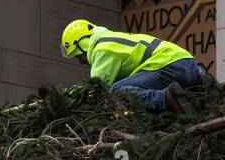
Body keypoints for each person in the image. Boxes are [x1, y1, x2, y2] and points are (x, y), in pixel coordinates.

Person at [60, 19, 203, 113]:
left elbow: (94, 89)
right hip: (188, 64)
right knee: (123, 86)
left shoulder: (103, 48)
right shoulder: (113, 39)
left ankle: (166, 99)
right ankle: (201, 87)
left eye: (78, 56)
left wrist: (66, 97)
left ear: (82, 44)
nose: (81, 62)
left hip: (169, 67)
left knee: (116, 91)